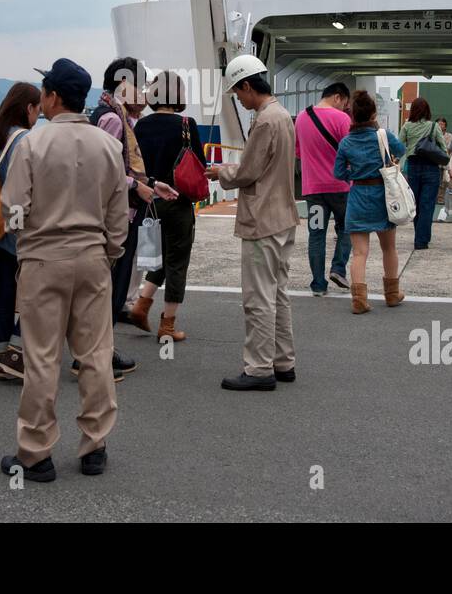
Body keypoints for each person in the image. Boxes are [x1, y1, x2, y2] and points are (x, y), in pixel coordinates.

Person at [0, 58, 128, 482]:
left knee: (41, 358)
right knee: (94, 355)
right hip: (92, 259)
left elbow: (12, 209)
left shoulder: (32, 145)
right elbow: (118, 214)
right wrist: (109, 251)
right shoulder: (108, 145)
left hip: (42, 259)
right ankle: (95, 446)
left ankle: (36, 454)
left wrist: (27, 244)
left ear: (52, 97)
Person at [206, 55, 299, 392]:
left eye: (238, 93)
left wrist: (220, 172)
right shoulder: (283, 115)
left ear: (247, 85)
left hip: (262, 220)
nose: (240, 100)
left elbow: (248, 172)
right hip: (284, 216)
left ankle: (259, 368)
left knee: (258, 297)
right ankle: (283, 361)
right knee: (278, 293)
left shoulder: (264, 121)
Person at [87, 57, 176, 379]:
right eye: (142, 84)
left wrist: (149, 183)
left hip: (121, 211)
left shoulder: (118, 116)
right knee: (111, 285)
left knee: (110, 285)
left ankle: (96, 352)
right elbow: (105, 172)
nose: (147, 91)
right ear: (124, 84)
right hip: (116, 216)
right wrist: (137, 186)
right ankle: (96, 355)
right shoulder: (112, 120)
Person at [126, 71, 205, 341]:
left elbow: (134, 163)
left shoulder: (141, 126)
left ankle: (141, 305)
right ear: (179, 95)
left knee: (160, 256)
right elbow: (199, 165)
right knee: (177, 262)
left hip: (149, 201)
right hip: (178, 201)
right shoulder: (186, 123)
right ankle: (168, 327)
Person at [0, 82, 41, 381]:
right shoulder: (24, 141)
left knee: (6, 289)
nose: (38, 115)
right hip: (18, 227)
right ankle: (14, 354)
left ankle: (1, 344)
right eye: (37, 109)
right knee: (33, 291)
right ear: (28, 108)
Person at [332, 90, 407, 313]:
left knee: (359, 253)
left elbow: (338, 173)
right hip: (382, 197)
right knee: (388, 248)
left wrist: (353, 175)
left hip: (357, 197)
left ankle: (359, 299)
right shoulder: (383, 135)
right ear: (373, 114)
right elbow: (401, 150)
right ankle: (392, 294)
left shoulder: (346, 143)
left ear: (353, 116)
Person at [293, 82, 352, 295]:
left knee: (316, 234)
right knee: (347, 228)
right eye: (344, 103)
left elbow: (298, 152)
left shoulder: (301, 117)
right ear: (337, 97)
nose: (344, 108)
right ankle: (338, 268)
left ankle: (318, 284)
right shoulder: (342, 119)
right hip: (340, 189)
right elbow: (350, 152)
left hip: (313, 191)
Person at [399, 97, 445, 250]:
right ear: (427, 111)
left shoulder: (407, 126)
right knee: (427, 204)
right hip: (431, 168)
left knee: (415, 203)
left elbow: (399, 147)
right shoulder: (434, 126)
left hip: (413, 166)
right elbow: (443, 149)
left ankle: (421, 235)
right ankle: (421, 239)